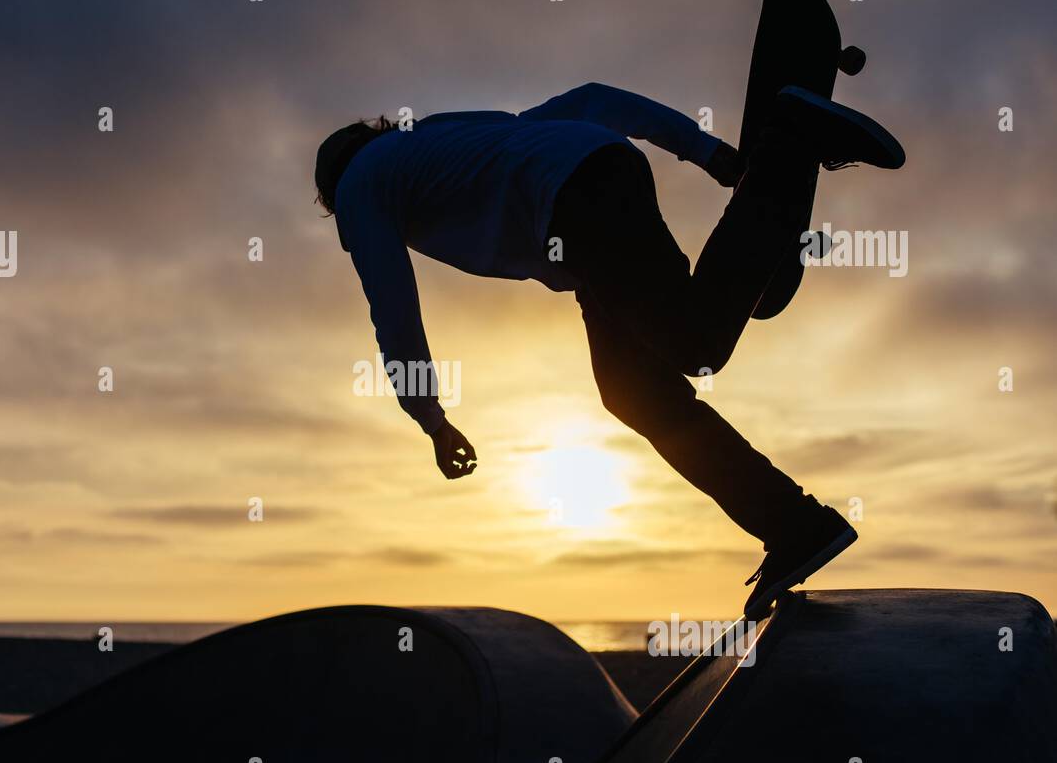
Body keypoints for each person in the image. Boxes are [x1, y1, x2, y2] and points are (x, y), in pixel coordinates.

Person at [315, 82, 904, 618]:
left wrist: (432, 420)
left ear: (334, 195)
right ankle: (796, 527)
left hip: (576, 204)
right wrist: (708, 152)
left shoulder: (360, 189)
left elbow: (391, 305)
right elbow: (596, 101)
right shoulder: (443, 134)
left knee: (694, 340)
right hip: (596, 181)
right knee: (633, 393)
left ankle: (788, 145)